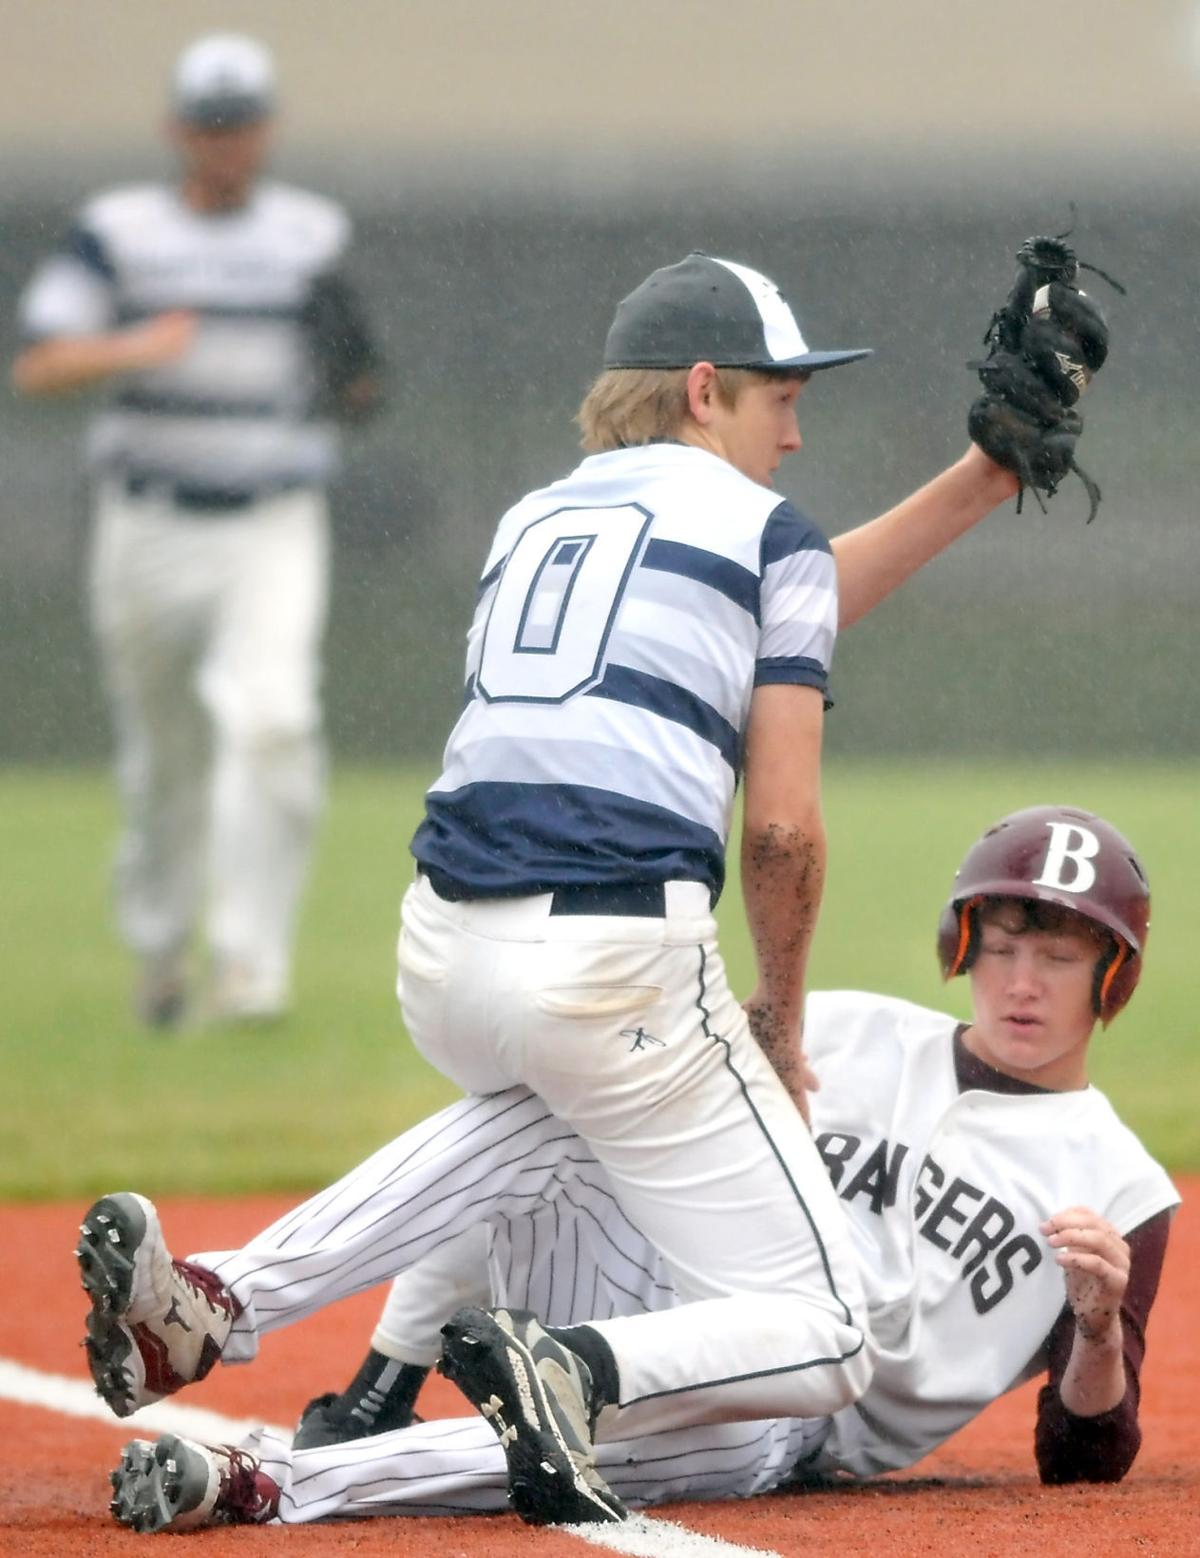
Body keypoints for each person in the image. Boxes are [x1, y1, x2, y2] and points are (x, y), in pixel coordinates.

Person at [76, 249, 1028, 1525]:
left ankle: (221, 1302)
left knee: (565, 1110)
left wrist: (982, 482)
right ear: (704, 389)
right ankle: (570, 1368)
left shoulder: (536, 514)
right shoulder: (765, 531)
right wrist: (780, 1013)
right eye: (779, 395)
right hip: (612, 951)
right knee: (829, 1334)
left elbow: (768, 611)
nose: (797, 430)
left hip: (443, 946)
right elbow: (784, 829)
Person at [97, 804, 1179, 1531]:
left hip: (784, 1417)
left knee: (572, 1429)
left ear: (1110, 977)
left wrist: (1093, 1329)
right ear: (965, 945)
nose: (1023, 979)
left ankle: (264, 1479)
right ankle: (219, 1299)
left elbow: (1083, 1464)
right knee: (568, 1096)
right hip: (659, 1285)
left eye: (1061, 952)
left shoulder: (1122, 1185)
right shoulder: (841, 1030)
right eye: (1005, 943)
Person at [11, 34, 383, 1027]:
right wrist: (135, 345)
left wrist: (355, 381)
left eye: (244, 123)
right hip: (149, 520)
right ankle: (162, 950)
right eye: (211, 124)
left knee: (274, 723)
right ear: (180, 130)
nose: (228, 143)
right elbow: (38, 364)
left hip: (272, 518)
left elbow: (351, 376)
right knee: (163, 756)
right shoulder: (120, 232)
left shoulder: (310, 234)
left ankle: (251, 966)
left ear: (266, 130)